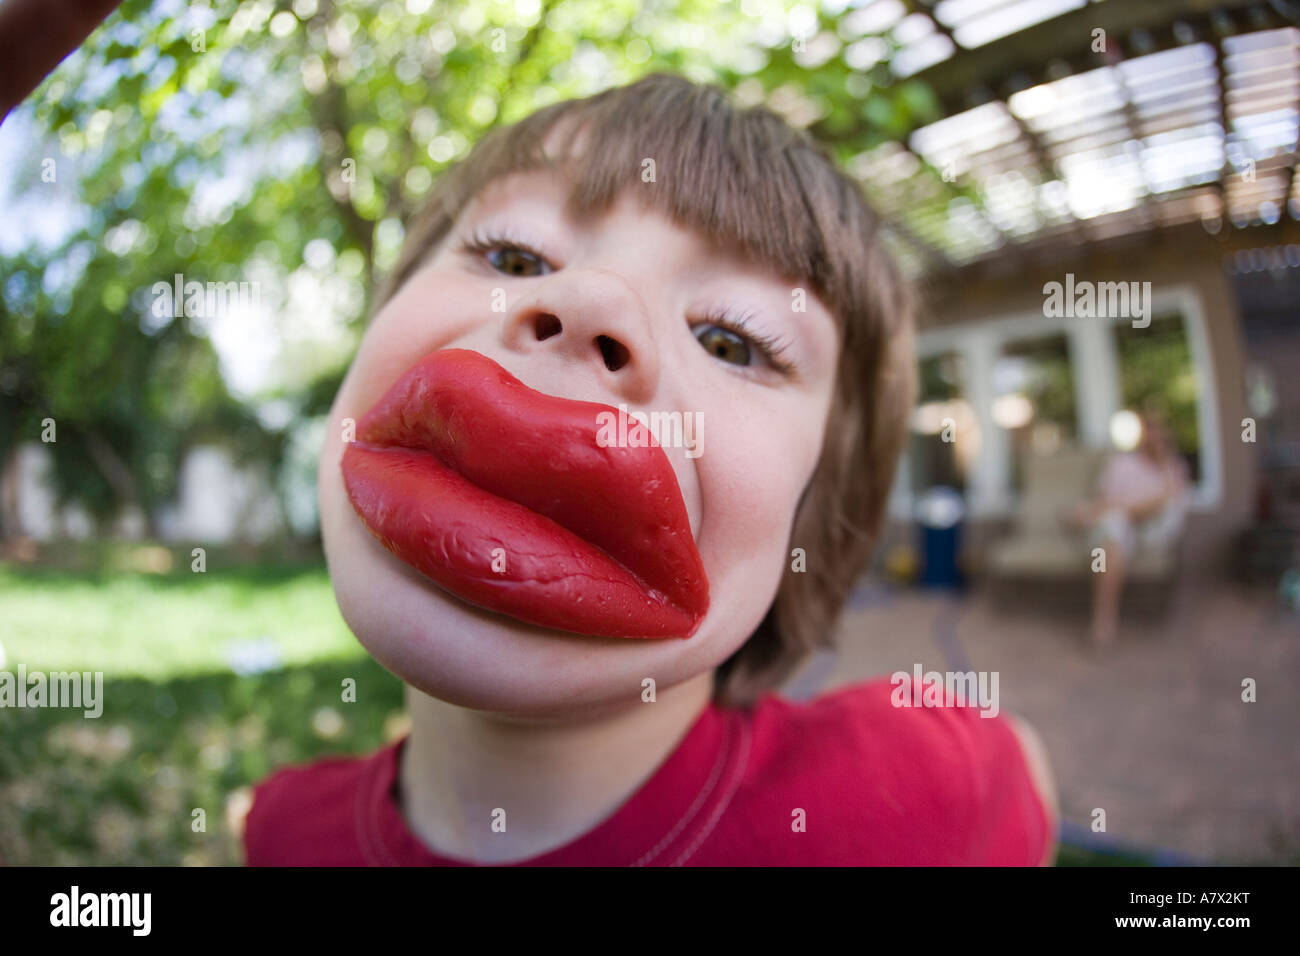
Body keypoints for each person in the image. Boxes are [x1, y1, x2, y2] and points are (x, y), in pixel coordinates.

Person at [242, 73, 1058, 866]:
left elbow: (1020, 773)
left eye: (732, 340)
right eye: (514, 256)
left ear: (811, 517)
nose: (593, 302)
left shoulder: (919, 800)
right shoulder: (282, 834)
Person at [1067, 410, 1190, 648]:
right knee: (1114, 526)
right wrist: (1111, 510)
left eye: (1160, 433)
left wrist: (1164, 463)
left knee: (1119, 517)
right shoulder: (1121, 463)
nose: (1154, 438)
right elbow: (1104, 497)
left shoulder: (1174, 468)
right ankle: (1104, 624)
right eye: (1149, 432)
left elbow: (1169, 502)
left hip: (1152, 531)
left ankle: (1103, 624)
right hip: (1118, 529)